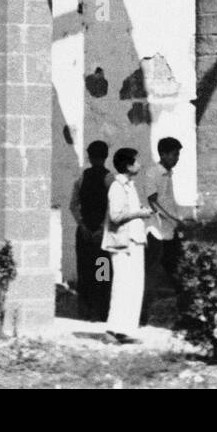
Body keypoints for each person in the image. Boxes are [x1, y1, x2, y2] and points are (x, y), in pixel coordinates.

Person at [102, 147, 152, 344]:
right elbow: (116, 216)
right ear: (128, 165)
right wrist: (139, 213)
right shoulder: (117, 186)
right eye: (137, 161)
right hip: (123, 244)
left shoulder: (130, 186)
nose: (140, 164)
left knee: (134, 287)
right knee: (122, 286)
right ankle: (111, 330)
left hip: (135, 241)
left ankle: (124, 329)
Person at [140, 137, 191, 321]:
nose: (176, 158)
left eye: (178, 154)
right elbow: (153, 202)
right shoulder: (152, 173)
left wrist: (177, 221)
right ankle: (142, 316)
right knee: (149, 276)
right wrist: (172, 220)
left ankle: (186, 314)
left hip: (170, 233)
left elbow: (169, 202)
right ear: (163, 154)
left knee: (180, 272)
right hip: (156, 232)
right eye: (174, 154)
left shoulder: (169, 174)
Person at [69, 140, 112, 321]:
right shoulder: (110, 179)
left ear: (90, 156)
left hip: (86, 232)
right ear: (105, 157)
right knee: (101, 271)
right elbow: (112, 207)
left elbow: (73, 205)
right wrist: (102, 228)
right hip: (101, 234)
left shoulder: (82, 177)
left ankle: (86, 310)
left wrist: (82, 225)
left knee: (85, 271)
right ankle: (101, 310)